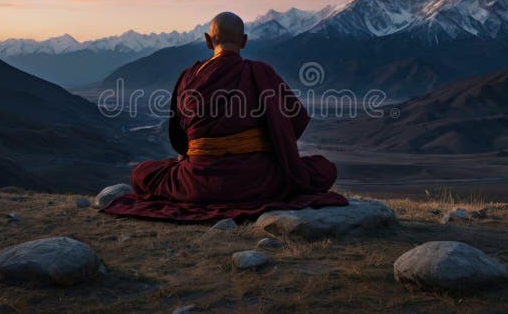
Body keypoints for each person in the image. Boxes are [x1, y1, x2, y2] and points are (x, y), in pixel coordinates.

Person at [103, 12, 346, 221]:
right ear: (245, 41)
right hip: (259, 180)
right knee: (323, 169)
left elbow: (180, 139)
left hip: (197, 183)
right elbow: (293, 122)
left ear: (208, 40)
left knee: (142, 173)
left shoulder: (189, 76)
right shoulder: (261, 72)